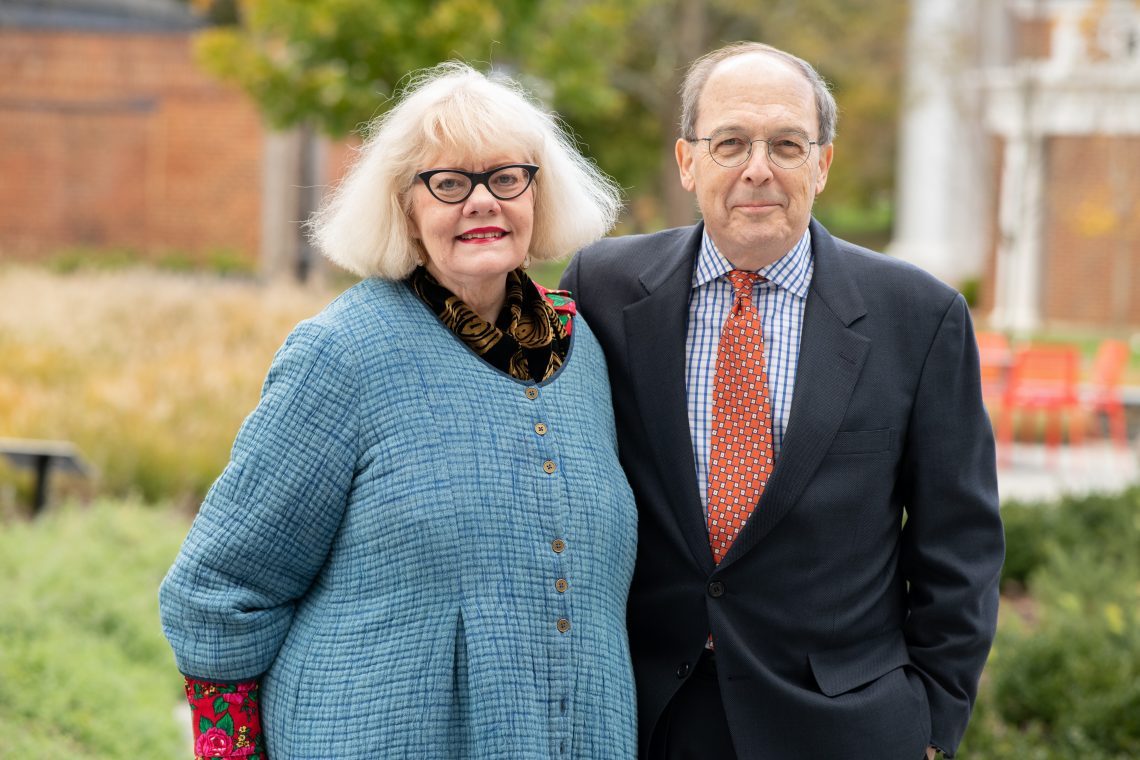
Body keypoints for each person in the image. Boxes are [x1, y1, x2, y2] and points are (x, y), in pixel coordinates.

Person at [160, 61, 638, 759]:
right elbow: (219, 587)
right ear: (405, 208)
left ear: (539, 193)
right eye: (448, 183)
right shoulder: (343, 353)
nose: (483, 202)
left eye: (507, 178)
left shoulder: (583, 350)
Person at [561, 41, 1004, 760]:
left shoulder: (918, 316)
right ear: (687, 161)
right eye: (730, 142)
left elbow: (961, 544)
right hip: (649, 716)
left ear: (821, 164)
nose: (757, 168)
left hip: (844, 725)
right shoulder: (604, 289)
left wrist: (933, 728)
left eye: (787, 144)